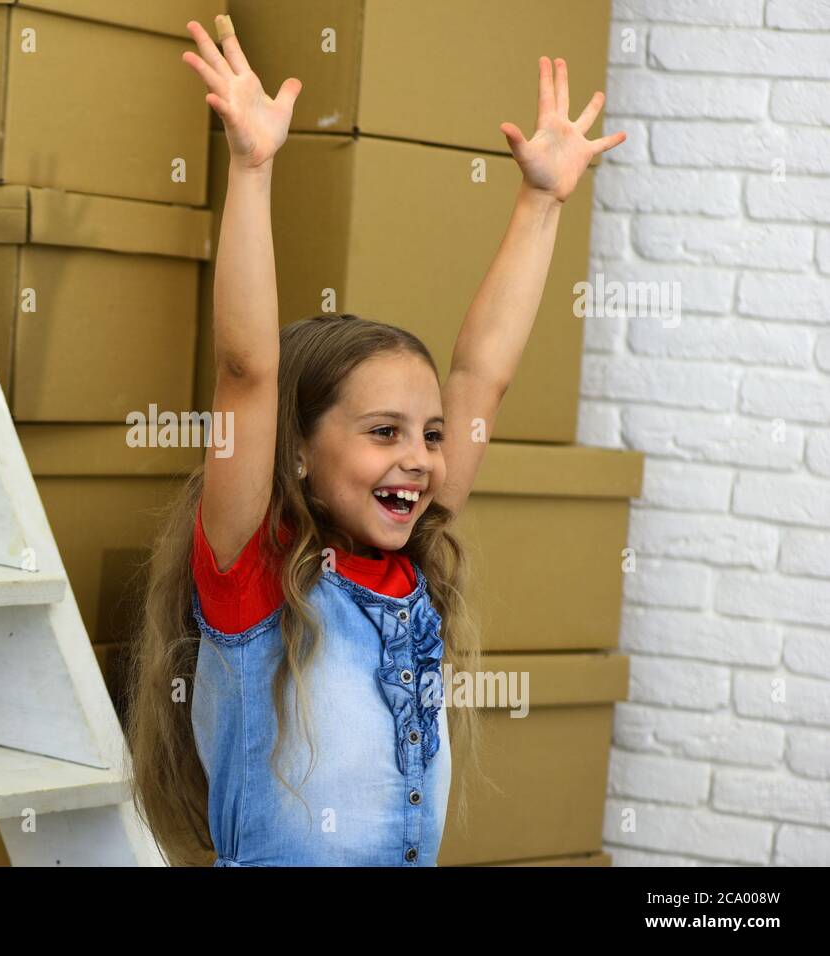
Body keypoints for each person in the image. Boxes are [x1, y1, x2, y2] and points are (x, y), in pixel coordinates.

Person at [124, 14, 626, 867]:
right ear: (295, 452)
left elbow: (482, 376)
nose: (420, 459)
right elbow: (247, 372)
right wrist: (252, 169)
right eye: (383, 432)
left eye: (430, 436)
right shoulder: (254, 576)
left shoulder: (409, 557)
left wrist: (541, 203)